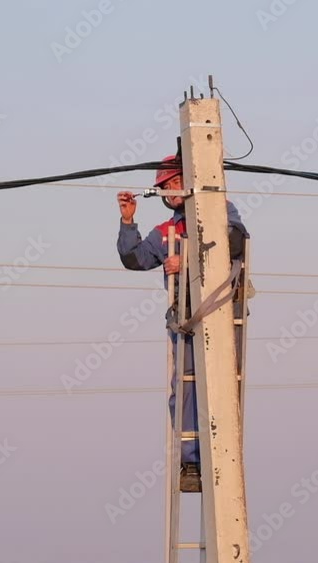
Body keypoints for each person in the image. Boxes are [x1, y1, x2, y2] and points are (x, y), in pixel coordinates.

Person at [115, 154, 248, 492]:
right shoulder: (166, 231)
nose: (167, 191)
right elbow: (135, 259)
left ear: (188, 180)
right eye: (163, 187)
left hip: (220, 311)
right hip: (186, 318)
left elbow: (233, 242)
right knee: (184, 392)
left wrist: (187, 257)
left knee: (220, 384)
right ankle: (191, 462)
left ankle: (223, 453)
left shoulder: (220, 210)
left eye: (171, 184)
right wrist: (128, 222)